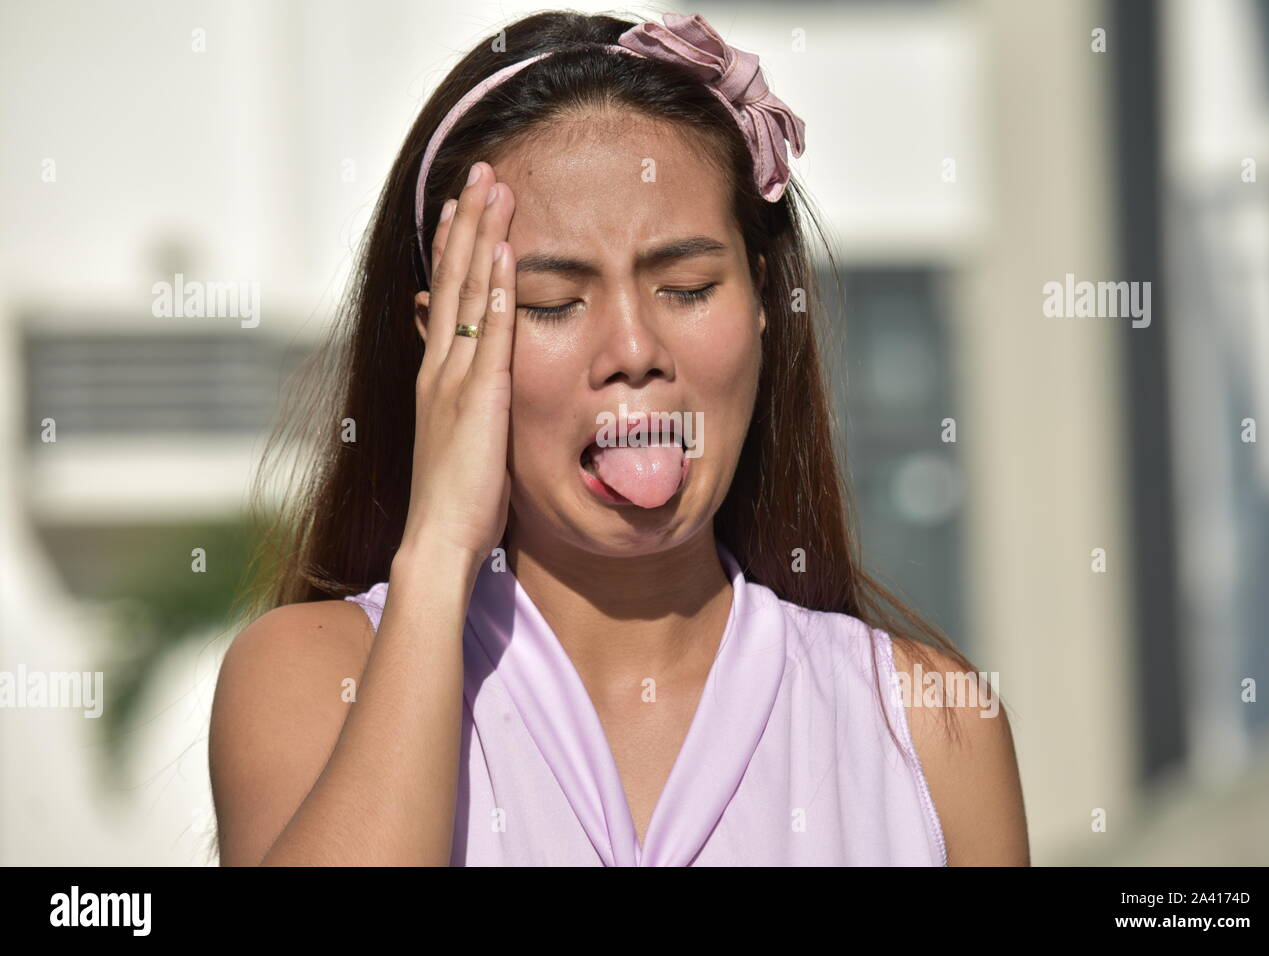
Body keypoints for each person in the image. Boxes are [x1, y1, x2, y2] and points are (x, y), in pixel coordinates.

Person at [209, 9, 1030, 866]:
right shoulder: (314, 677)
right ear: (443, 339)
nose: (634, 352)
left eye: (685, 287)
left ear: (759, 305)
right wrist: (440, 547)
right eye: (553, 303)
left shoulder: (931, 730)